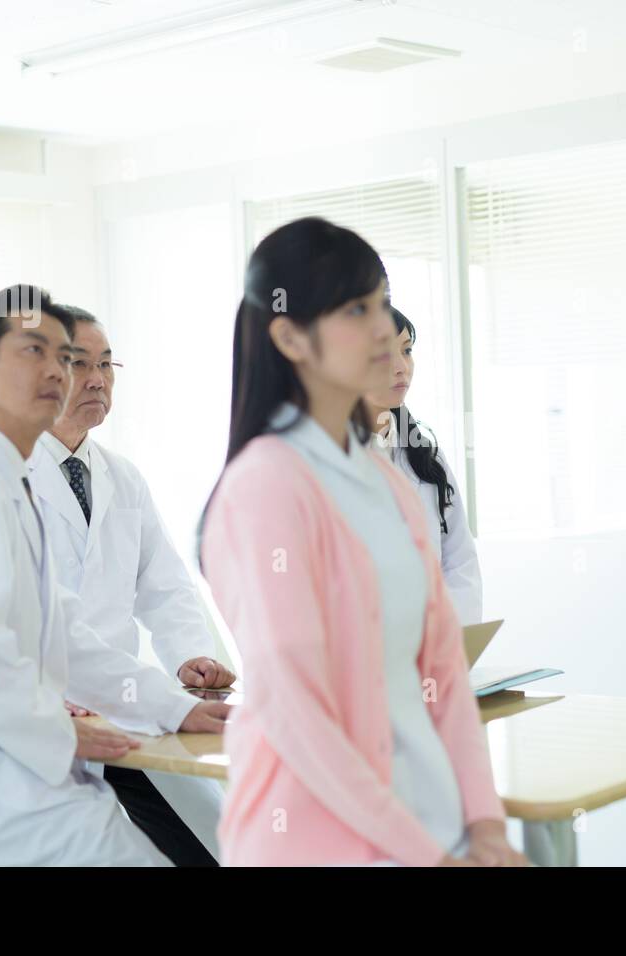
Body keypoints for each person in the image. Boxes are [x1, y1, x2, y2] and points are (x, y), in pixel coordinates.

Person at [0, 284, 228, 866]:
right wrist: (63, 732)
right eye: (38, 352)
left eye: (64, 356)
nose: (61, 371)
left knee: (218, 838)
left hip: (29, 761)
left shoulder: (3, 480)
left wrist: (174, 704)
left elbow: (66, 630)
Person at [200, 218, 526, 866]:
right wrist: (429, 855)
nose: (384, 328)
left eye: (382, 302)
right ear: (290, 334)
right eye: (356, 308)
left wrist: (485, 827)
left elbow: (443, 673)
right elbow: (297, 714)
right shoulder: (265, 484)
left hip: (433, 831)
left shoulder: (384, 476)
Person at [28, 305, 234, 866]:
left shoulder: (123, 476)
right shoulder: (7, 480)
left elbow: (164, 586)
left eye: (107, 364)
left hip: (127, 710)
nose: (97, 379)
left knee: (220, 843)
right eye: (78, 364)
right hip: (49, 720)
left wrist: (192, 658)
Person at [363, 308, 483, 624]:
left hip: (436, 653)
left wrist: (448, 638)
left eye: (407, 351)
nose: (402, 368)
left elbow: (460, 562)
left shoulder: (426, 458)